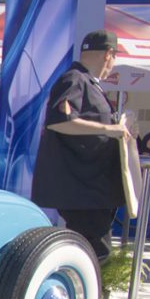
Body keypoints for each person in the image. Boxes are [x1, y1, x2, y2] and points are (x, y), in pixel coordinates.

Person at [32, 29, 129, 262]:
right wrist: (110, 129)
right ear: (108, 54)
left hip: (93, 189)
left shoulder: (87, 83)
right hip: (82, 190)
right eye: (114, 59)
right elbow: (60, 122)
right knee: (96, 254)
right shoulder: (75, 79)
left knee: (92, 252)